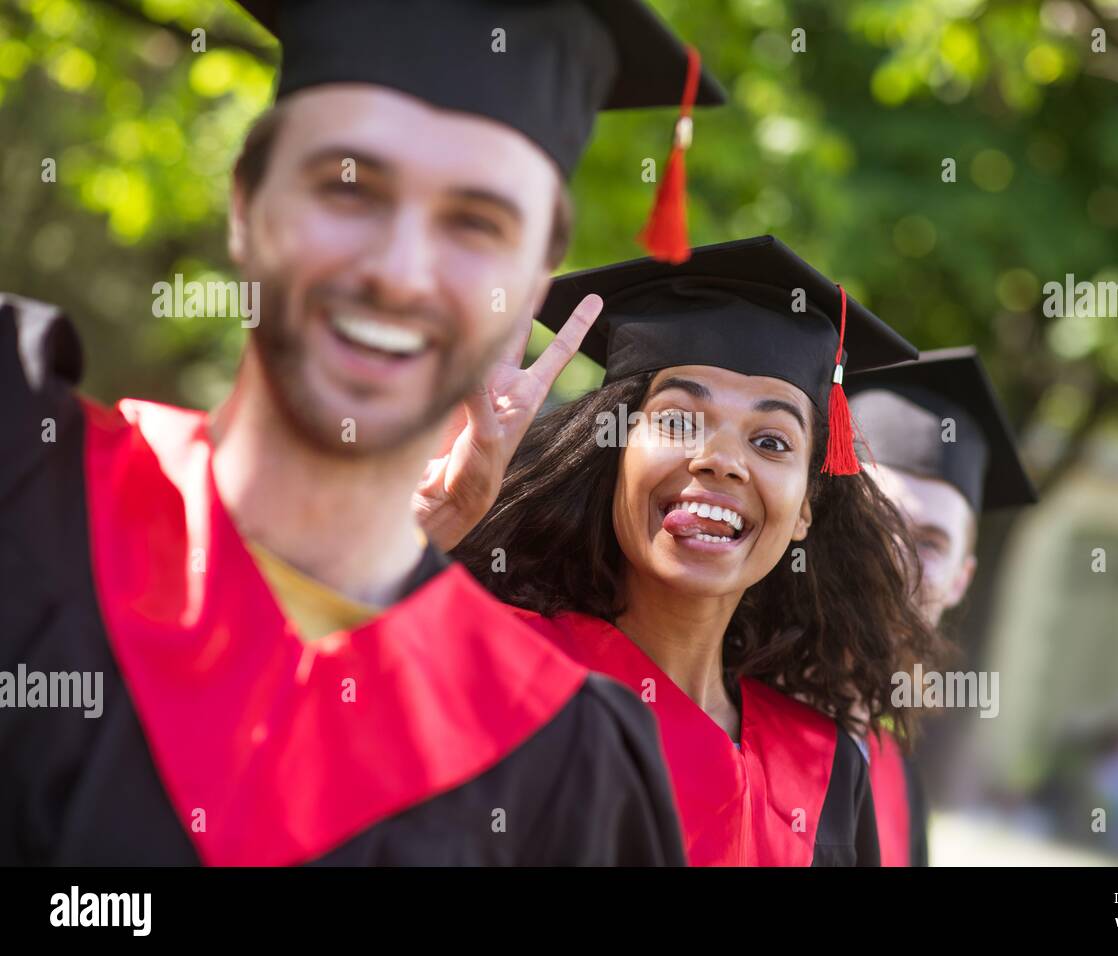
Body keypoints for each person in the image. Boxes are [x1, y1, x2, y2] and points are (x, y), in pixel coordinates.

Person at [0, 0, 724, 866]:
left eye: (475, 223)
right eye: (349, 186)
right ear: (245, 202)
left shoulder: (565, 774)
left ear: (533, 286)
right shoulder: (25, 492)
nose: (398, 271)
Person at [428, 235, 942, 865]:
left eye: (773, 442)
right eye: (677, 420)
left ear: (806, 508)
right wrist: (433, 525)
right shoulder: (495, 665)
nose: (721, 460)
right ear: (614, 454)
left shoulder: (825, 766)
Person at [844, 346, 1038, 866]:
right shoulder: (730, 725)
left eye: (930, 541)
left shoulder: (898, 782)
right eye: (876, 522)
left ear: (960, 580)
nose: (898, 559)